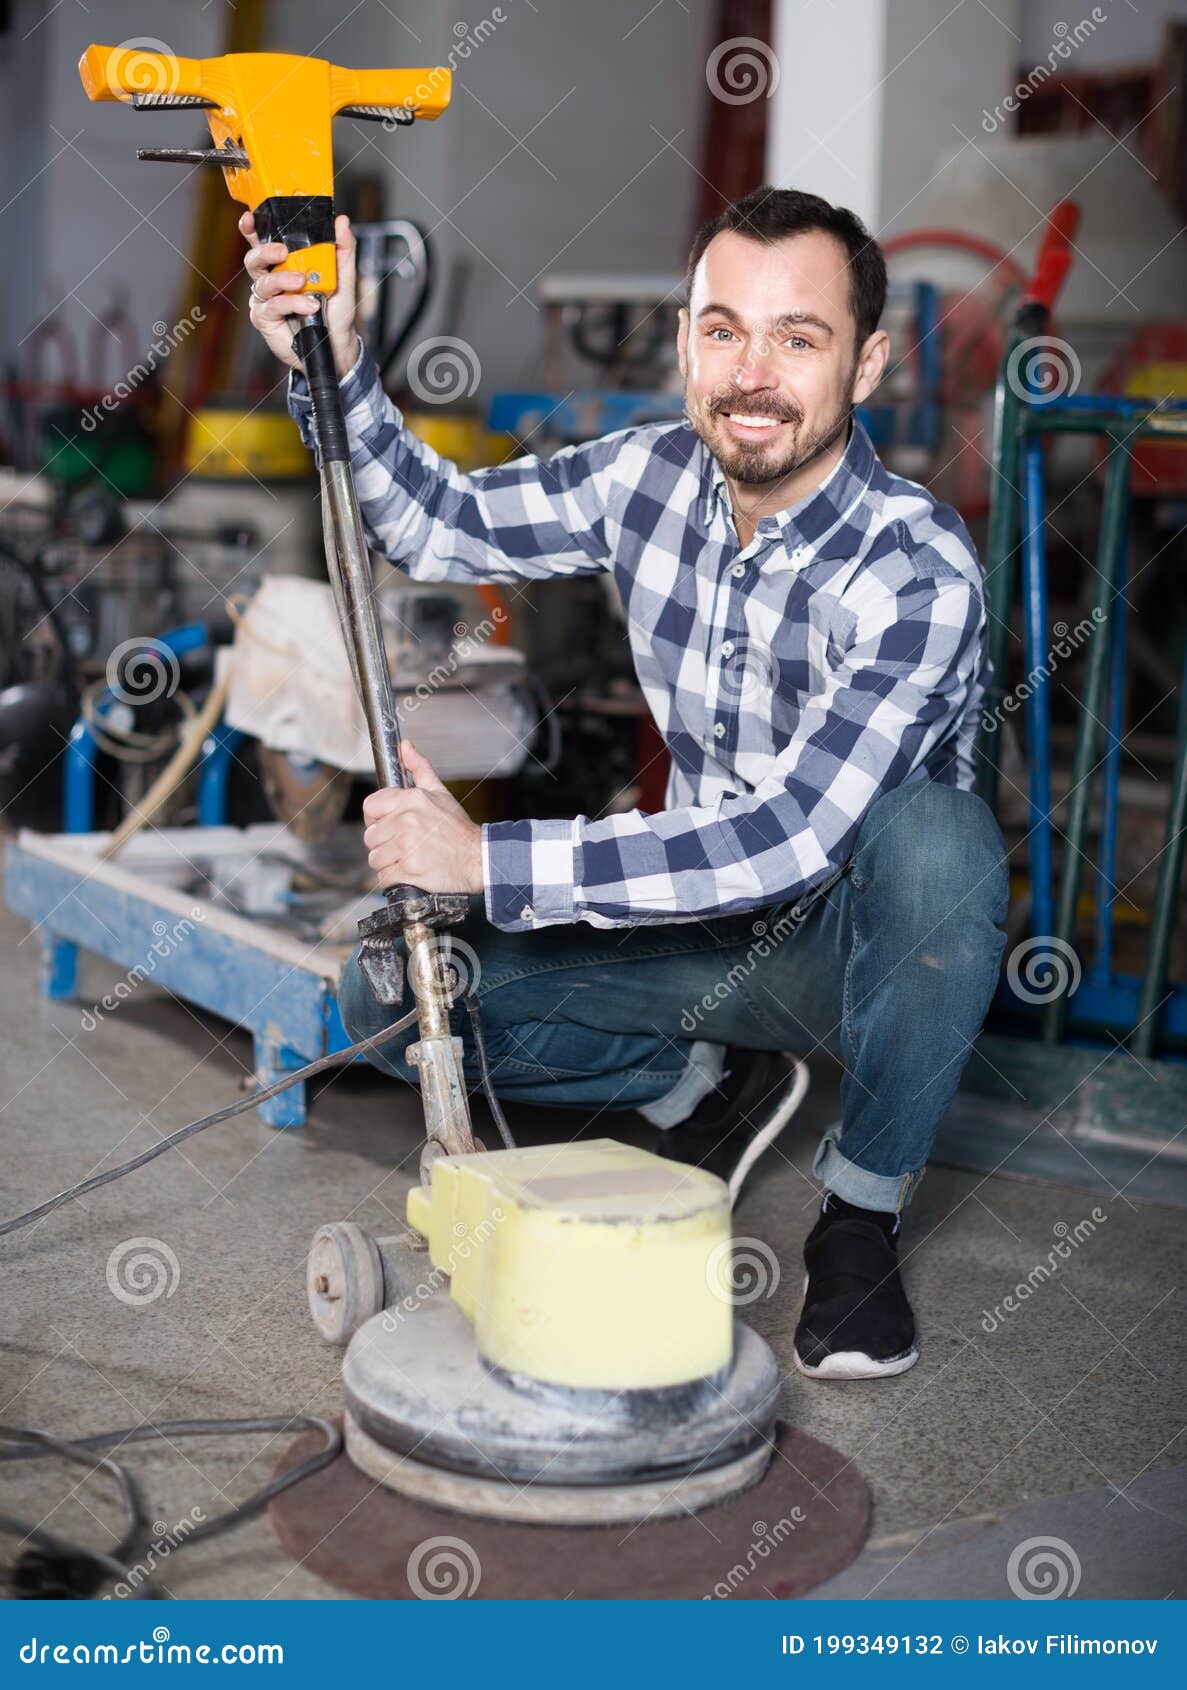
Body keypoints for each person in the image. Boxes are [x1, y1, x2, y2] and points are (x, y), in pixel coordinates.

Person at [241, 185, 1008, 1381]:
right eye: (721, 330)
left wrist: (484, 861)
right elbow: (433, 524)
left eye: (794, 338)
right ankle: (700, 1075)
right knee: (387, 994)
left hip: (847, 950)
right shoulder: (647, 477)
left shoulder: (918, 570)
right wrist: (337, 365)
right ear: (687, 340)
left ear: (863, 365)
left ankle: (858, 1214)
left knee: (941, 846)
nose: (750, 373)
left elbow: (791, 838)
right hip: (693, 928)